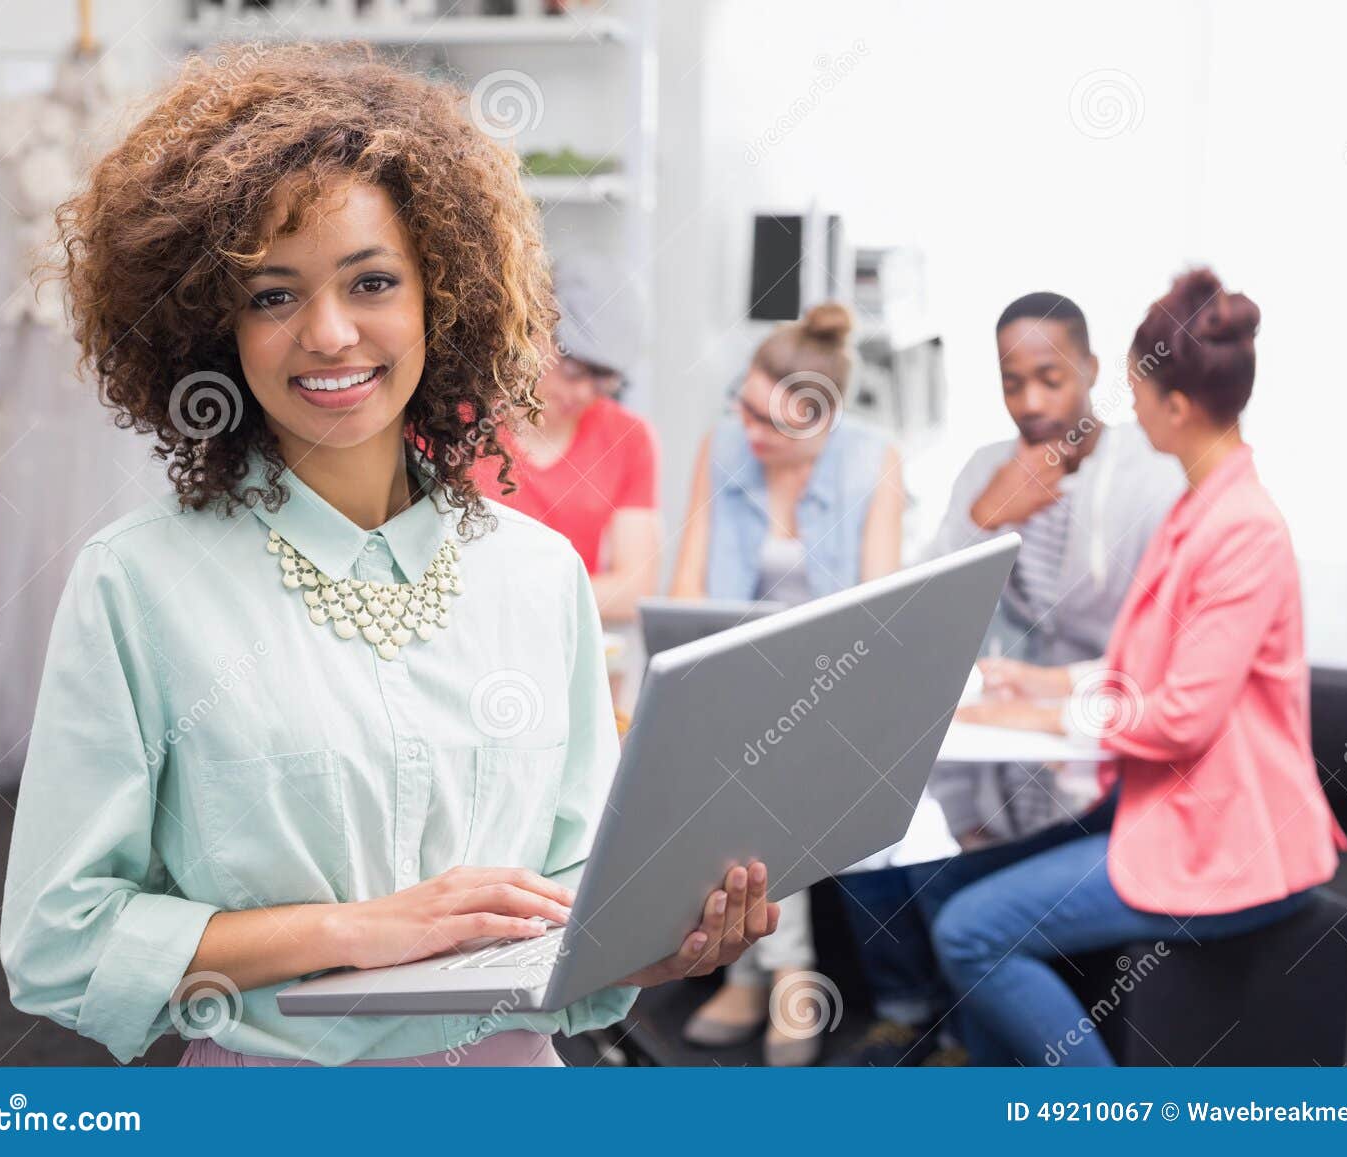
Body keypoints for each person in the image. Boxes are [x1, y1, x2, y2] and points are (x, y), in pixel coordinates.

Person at [0, 44, 779, 1069]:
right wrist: (355, 930)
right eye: (272, 295)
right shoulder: (139, 583)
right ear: (210, 325)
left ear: (439, 299)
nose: (329, 332)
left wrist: (658, 945)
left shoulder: (538, 574)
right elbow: (59, 943)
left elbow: (566, 900)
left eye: (371, 280)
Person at [941, 267, 1347, 1065]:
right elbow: (1146, 672)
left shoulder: (1244, 530)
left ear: (1177, 406)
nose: (1125, 409)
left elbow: (1182, 717)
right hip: (1164, 805)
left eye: (1135, 391)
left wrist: (1045, 716)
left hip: (1230, 841)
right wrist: (1043, 683)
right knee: (956, 891)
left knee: (970, 932)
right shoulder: (1201, 507)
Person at [832, 291, 1182, 1066]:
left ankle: (965, 1032)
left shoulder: (1149, 480)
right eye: (1011, 381)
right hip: (998, 714)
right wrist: (986, 515)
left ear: (1092, 370)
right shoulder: (987, 468)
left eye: (1050, 378)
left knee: (971, 867)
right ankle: (916, 1013)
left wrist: (1056, 699)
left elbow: (1159, 657)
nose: (1030, 402)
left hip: (1098, 718)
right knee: (873, 800)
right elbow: (919, 606)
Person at [670, 301, 905, 1064]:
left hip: (835, 687)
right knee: (735, 749)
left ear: (822, 423)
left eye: (771, 423)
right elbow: (686, 589)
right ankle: (775, 972)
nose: (751, 432)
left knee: (766, 766)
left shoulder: (874, 461)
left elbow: (879, 616)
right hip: (738, 680)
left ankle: (772, 972)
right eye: (745, 409)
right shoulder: (724, 448)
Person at [473, 258, 660, 625]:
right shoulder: (459, 422)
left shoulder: (628, 438)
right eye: (572, 368)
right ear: (534, 326)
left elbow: (634, 589)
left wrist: (509, 597)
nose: (584, 391)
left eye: (603, 380)